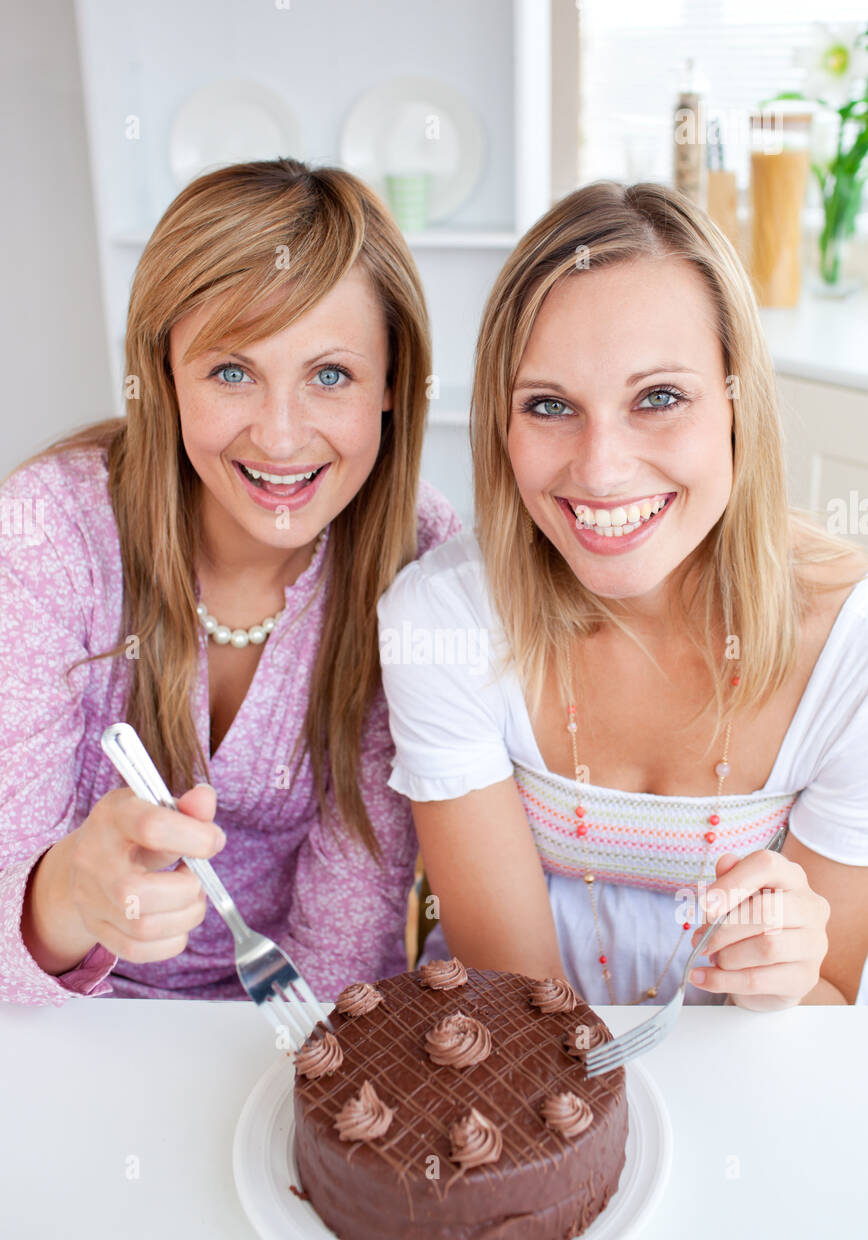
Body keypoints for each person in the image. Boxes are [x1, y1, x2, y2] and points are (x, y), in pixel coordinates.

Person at [377, 179, 868, 1010]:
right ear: (503, 426)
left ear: (739, 405)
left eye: (660, 398)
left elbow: (829, 998)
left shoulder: (851, 650)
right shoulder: (444, 620)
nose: (601, 468)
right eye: (549, 405)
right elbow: (518, 1008)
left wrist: (787, 973)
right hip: (530, 1066)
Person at [0, 157, 460, 1006]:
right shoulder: (46, 536)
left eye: (331, 375)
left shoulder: (421, 560)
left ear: (393, 381)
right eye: (231, 372)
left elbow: (347, 938)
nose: (281, 438)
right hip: (48, 1015)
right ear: (164, 376)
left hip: (283, 1023)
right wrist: (66, 897)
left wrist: (299, 1087)